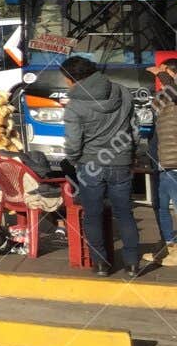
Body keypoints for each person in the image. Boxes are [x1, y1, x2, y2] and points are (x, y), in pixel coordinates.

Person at [61, 55, 142, 277]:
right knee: (125, 213)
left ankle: (100, 265)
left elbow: (73, 143)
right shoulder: (122, 92)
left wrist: (75, 160)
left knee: (93, 215)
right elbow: (133, 130)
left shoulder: (75, 105)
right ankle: (133, 264)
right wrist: (132, 155)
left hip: (90, 164)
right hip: (121, 161)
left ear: (72, 79)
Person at [145, 60, 177, 264]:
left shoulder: (172, 91)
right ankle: (169, 245)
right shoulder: (166, 96)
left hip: (173, 162)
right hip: (164, 160)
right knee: (161, 205)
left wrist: (162, 74)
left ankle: (173, 250)